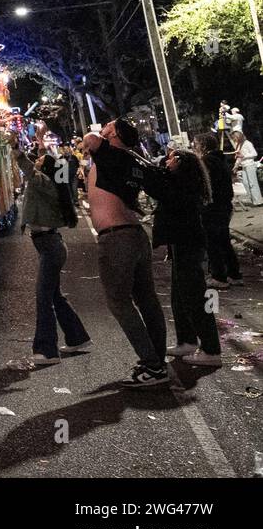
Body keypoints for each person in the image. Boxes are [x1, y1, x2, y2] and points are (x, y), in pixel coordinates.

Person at [82, 119, 168, 387]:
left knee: (119, 302)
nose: (103, 127)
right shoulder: (131, 161)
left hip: (117, 239)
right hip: (134, 236)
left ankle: (153, 365)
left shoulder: (110, 152)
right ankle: (155, 359)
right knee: (146, 299)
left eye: (108, 125)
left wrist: (100, 139)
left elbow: (89, 139)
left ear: (114, 133)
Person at [145, 148, 223, 367]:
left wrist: (163, 172)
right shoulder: (181, 181)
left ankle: (211, 349)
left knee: (195, 297)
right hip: (181, 244)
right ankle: (187, 340)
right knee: (179, 297)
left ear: (180, 162)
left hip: (189, 245)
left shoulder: (184, 184)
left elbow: (162, 192)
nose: (167, 161)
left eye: (171, 158)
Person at [19, 141, 91, 365]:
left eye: (40, 161)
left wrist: (16, 150)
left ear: (47, 170)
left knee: (43, 297)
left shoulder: (47, 184)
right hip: (48, 245)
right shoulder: (48, 184)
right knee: (54, 296)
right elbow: (37, 166)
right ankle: (77, 337)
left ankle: (47, 350)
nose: (37, 161)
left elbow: (30, 171)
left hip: (50, 247)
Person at [196, 132, 242, 288]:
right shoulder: (220, 160)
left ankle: (219, 277)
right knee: (224, 240)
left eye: (196, 144)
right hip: (223, 206)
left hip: (213, 208)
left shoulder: (207, 161)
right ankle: (234, 274)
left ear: (202, 146)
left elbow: (206, 186)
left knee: (213, 242)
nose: (194, 147)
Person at [232, 130, 263, 207]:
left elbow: (254, 153)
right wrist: (236, 166)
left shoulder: (247, 143)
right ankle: (253, 199)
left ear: (238, 136)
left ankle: (258, 201)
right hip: (244, 166)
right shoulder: (238, 144)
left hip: (250, 164)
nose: (234, 139)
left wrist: (244, 156)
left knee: (253, 183)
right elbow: (239, 157)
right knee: (245, 183)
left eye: (234, 137)